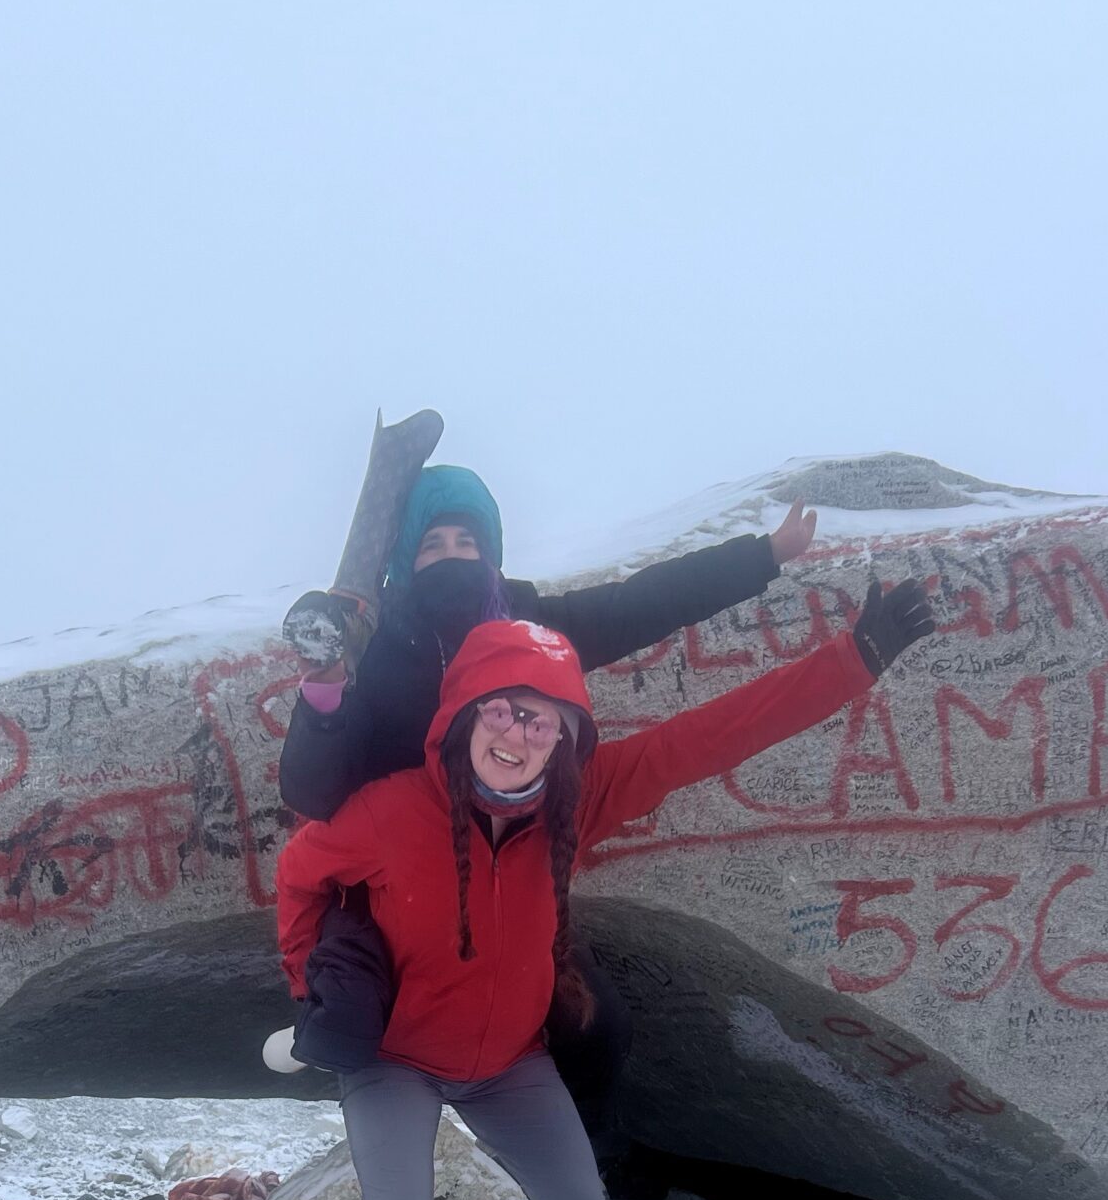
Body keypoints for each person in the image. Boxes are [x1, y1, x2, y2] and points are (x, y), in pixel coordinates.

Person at [274, 576, 934, 1200]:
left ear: (568, 736)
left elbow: (711, 736)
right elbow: (300, 878)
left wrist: (853, 659)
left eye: (545, 720)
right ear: (462, 717)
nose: (520, 734)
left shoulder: (573, 807)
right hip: (394, 1060)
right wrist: (312, 988)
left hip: (508, 1061)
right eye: (502, 711)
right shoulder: (387, 812)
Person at [274, 464, 818, 1126]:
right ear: (405, 559)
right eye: (432, 544)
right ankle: (368, 1092)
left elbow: (637, 606)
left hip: (512, 859)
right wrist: (327, 695)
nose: (451, 556)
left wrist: (762, 556)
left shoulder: (530, 627)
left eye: (465, 543)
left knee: (597, 1029)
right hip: (395, 875)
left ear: (491, 553)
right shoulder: (376, 643)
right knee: (355, 1022)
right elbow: (311, 789)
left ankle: (560, 1145)